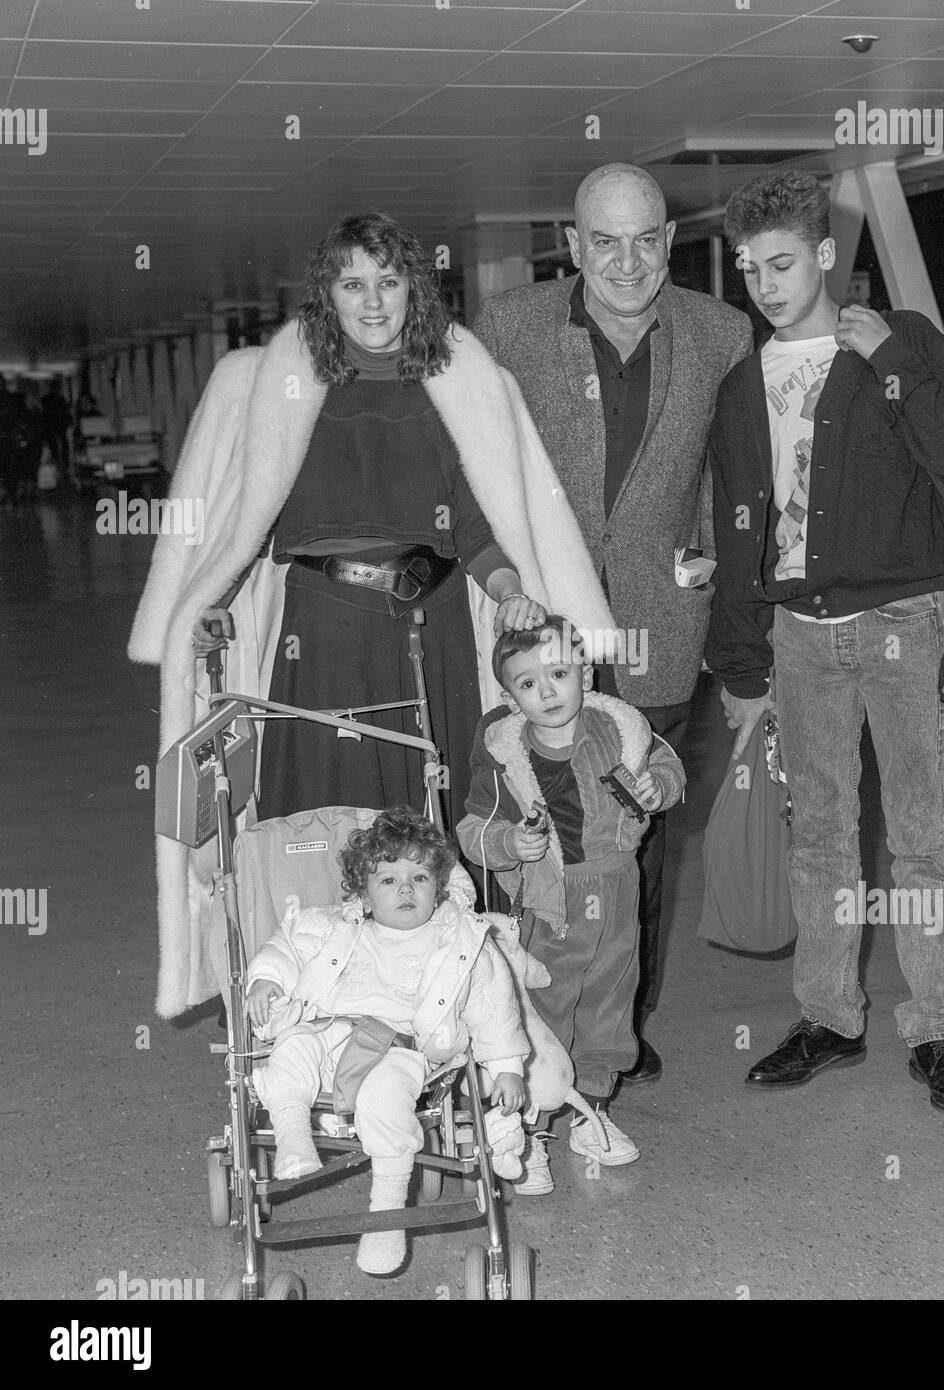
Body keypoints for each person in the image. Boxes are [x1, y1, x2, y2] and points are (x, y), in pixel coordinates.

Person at [130, 210, 618, 1021]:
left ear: (413, 287)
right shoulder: (279, 384)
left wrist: (510, 592)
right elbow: (245, 523)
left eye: (388, 281)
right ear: (326, 292)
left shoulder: (458, 380)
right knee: (323, 823)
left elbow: (476, 521)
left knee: (444, 811)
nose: (372, 300)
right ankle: (322, 1015)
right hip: (318, 634)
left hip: (433, 633)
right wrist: (211, 605)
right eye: (352, 282)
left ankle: (454, 1012)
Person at [706, 170, 944, 1116]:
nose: (763, 283)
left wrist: (895, 363)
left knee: (920, 836)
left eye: (782, 262)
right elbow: (737, 527)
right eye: (749, 268)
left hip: (898, 624)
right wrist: (740, 662)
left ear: (827, 257)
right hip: (798, 635)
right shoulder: (740, 382)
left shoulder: (900, 340)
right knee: (821, 837)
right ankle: (829, 1018)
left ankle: (935, 1030)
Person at [473, 163, 753, 1082]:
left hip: (656, 620)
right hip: (535, 623)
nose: (625, 262)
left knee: (636, 814)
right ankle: (506, 1012)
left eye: (644, 240)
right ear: (572, 242)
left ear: (669, 242)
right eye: (604, 240)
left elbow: (736, 475)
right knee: (522, 808)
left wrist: (713, 563)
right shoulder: (510, 328)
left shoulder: (720, 333)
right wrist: (500, 575)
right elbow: (471, 467)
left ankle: (616, 1022)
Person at [246, 807, 527, 1275]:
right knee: (291, 1050)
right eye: (388, 880)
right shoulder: (333, 924)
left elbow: (492, 1004)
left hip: (401, 1048)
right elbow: (286, 945)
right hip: (326, 1029)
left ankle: (386, 1216)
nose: (405, 890)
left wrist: (507, 1067)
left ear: (438, 886)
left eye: (418, 877)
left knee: (387, 1098)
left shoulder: (460, 940)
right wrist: (266, 979)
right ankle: (294, 1139)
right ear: (363, 891)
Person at [457, 616, 685, 1193]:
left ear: (584, 669)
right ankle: (526, 1126)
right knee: (545, 1004)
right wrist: (509, 841)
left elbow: (667, 764)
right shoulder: (504, 753)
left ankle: (593, 1107)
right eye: (528, 684)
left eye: (558, 673)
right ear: (509, 698)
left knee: (611, 997)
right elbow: (472, 828)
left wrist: (661, 785)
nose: (548, 692)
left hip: (618, 888)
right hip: (552, 898)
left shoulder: (621, 727)